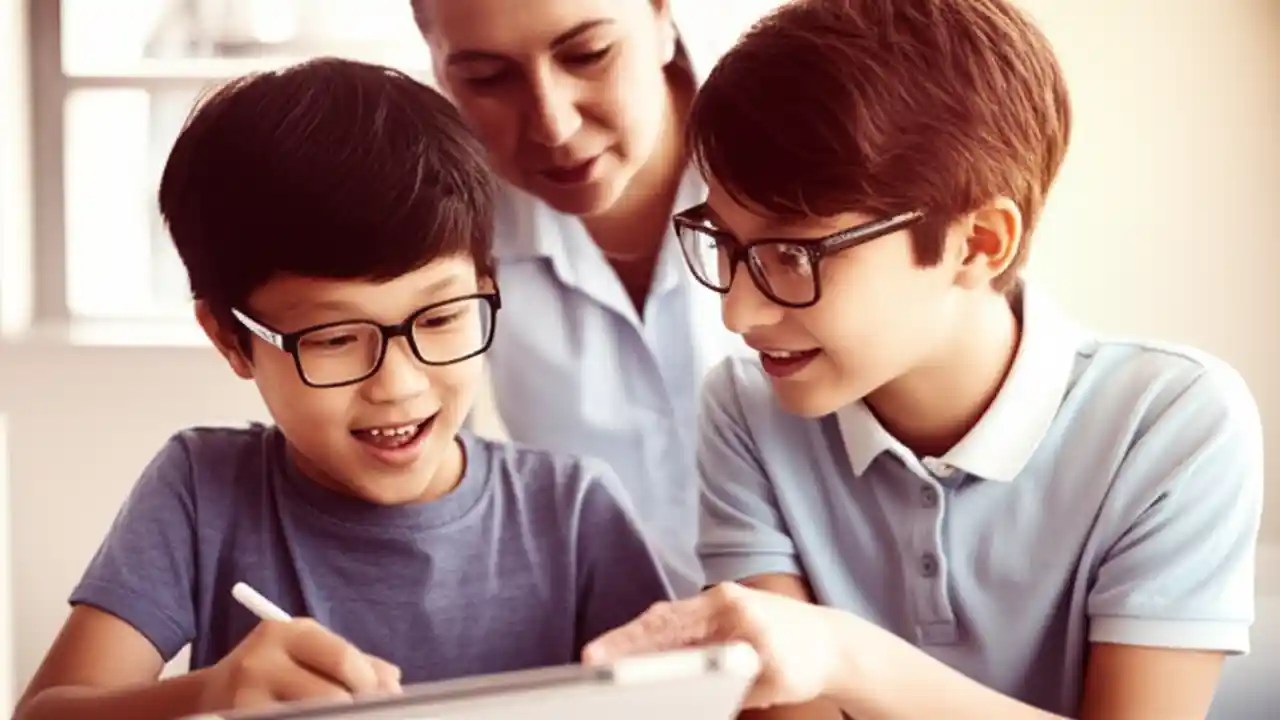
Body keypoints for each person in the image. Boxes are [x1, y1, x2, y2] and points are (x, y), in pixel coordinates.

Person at [584, 0, 1265, 718]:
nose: (737, 312)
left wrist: (845, 658)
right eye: (724, 243)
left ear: (978, 243)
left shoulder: (1170, 424)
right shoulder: (747, 409)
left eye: (793, 255)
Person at [15, 58, 672, 719]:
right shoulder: (201, 492)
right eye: (333, 339)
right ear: (229, 338)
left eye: (442, 318)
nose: (397, 385)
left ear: (488, 286)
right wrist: (207, 696)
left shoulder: (574, 513)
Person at [409, 0, 754, 595]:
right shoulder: (438, 225)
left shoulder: (814, 155)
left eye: (589, 55)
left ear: (662, 17)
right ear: (437, 65)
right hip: (600, 654)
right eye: (488, 79)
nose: (554, 125)